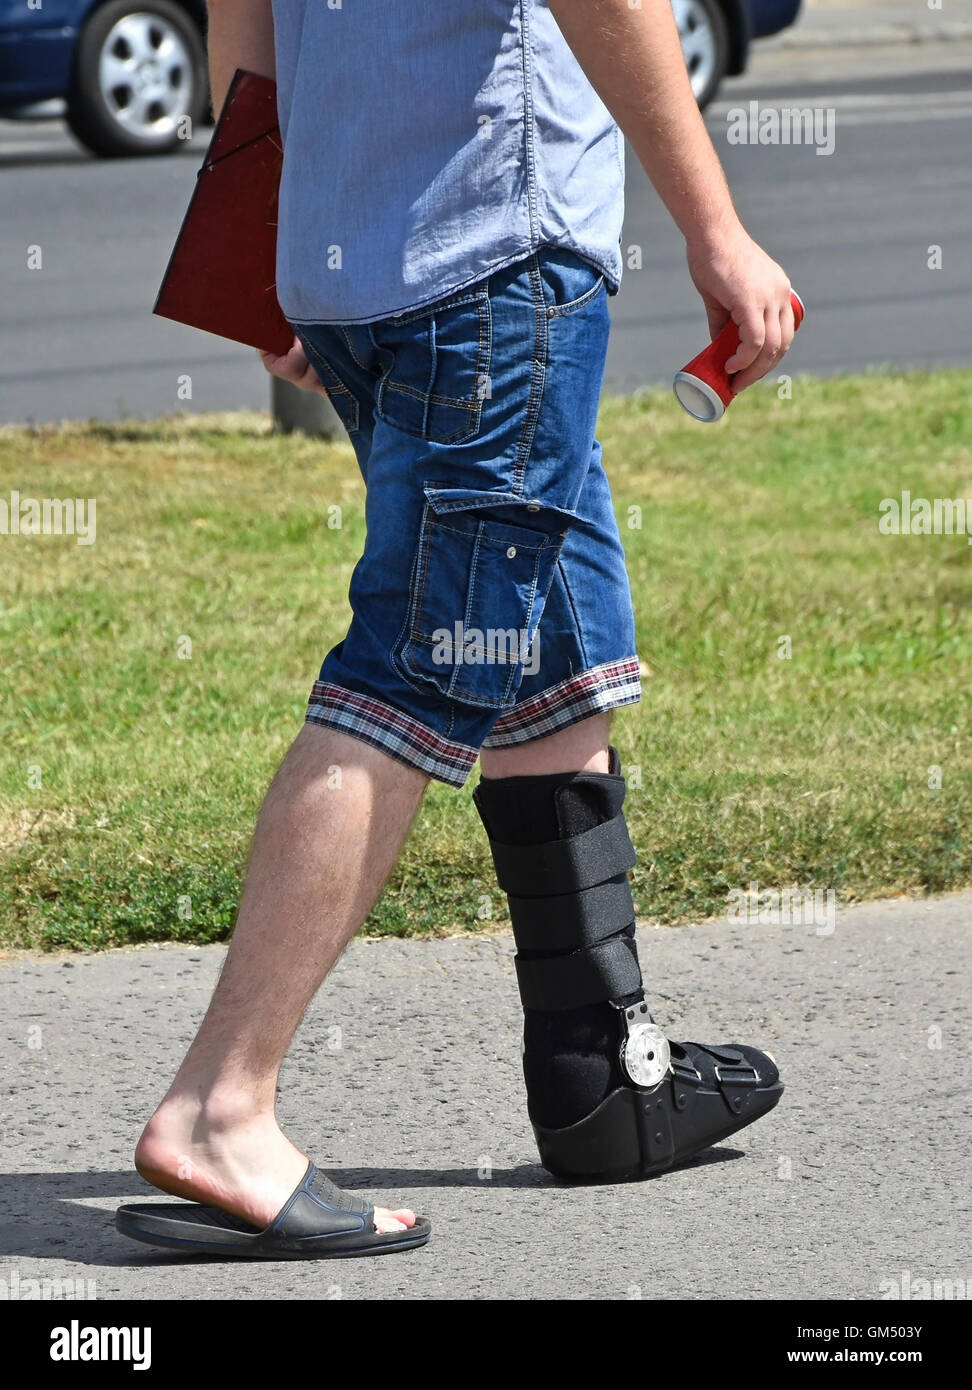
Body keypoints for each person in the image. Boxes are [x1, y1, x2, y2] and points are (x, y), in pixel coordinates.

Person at [116, 0, 793, 1259]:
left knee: (549, 644)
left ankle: (602, 1070)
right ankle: (222, 1105)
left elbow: (241, 19)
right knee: (423, 673)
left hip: (355, 265)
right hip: (493, 255)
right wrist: (718, 229)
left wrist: (270, 248)